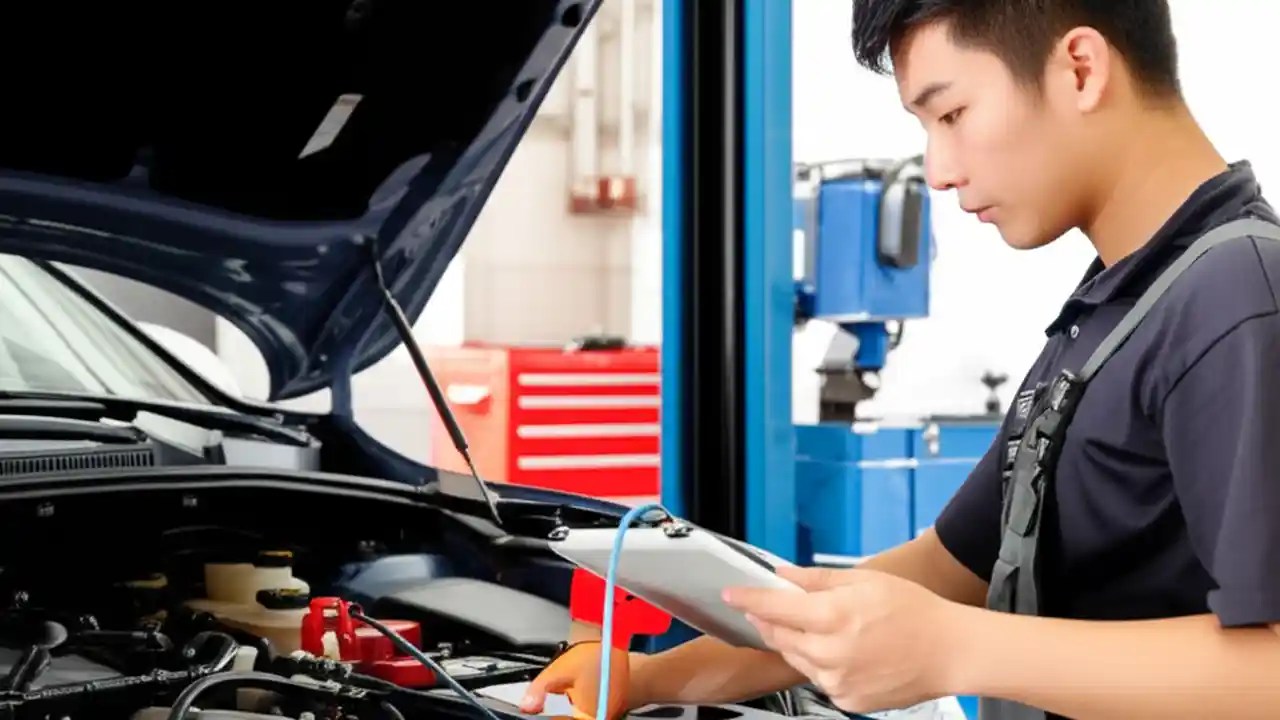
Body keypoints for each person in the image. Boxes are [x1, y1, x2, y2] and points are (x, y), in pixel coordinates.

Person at [522, 1, 1280, 718]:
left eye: (952, 114)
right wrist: (648, 676)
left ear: (1080, 68)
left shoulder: (1237, 296)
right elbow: (945, 566)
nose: (940, 170)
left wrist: (957, 647)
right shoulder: (1112, 313)